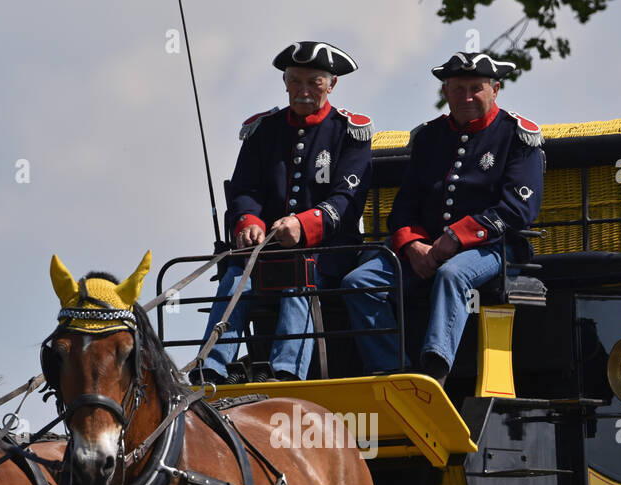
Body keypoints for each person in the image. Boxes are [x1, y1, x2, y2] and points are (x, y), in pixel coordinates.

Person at [341, 51, 544, 383]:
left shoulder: (517, 136)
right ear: (446, 92)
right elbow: (405, 205)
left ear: (496, 89)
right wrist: (412, 246)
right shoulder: (429, 137)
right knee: (357, 283)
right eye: (457, 88)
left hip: (493, 248)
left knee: (452, 274)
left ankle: (435, 369)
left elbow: (519, 209)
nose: (466, 97)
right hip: (425, 247)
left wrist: (455, 238)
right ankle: (393, 369)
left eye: (475, 88)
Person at [192, 41, 372, 384]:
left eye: (314, 82)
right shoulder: (264, 130)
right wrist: (249, 223)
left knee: (298, 276)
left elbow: (346, 200)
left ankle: (285, 371)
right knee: (235, 277)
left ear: (331, 84)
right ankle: (210, 368)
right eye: (296, 81)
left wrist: (303, 225)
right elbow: (246, 189)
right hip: (266, 251)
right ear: (286, 82)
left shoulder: (350, 132)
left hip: (329, 251)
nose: (303, 91)